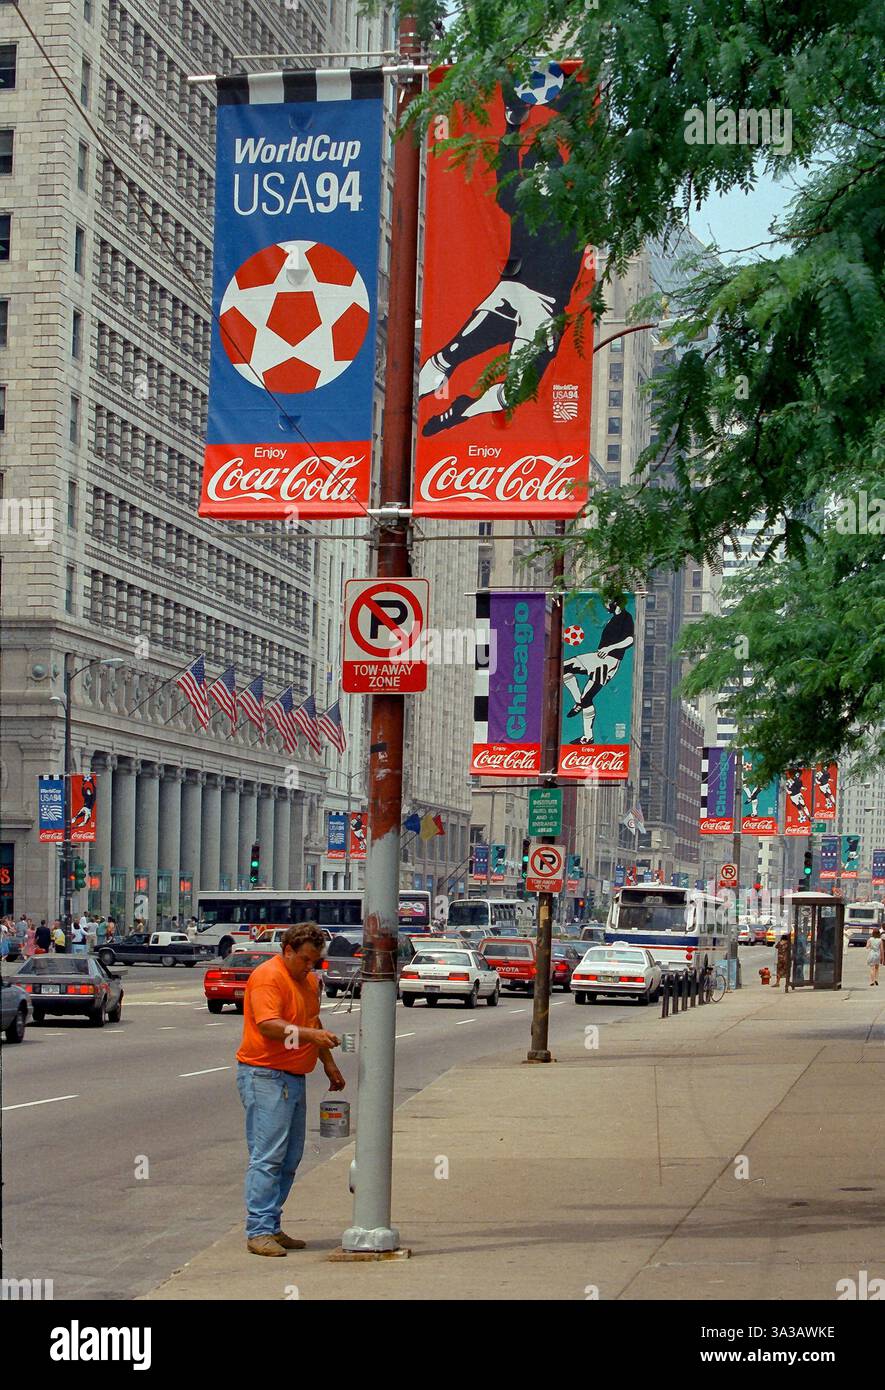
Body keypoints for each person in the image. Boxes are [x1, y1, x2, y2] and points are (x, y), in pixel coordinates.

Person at [419, 76, 584, 435]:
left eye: (546, 169)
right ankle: (419, 403)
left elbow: (583, 165)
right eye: (536, 169)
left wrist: (566, 114)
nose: (539, 176)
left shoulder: (574, 208)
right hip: (518, 292)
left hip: (544, 306)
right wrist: (512, 123)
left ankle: (462, 410)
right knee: (450, 354)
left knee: (512, 390)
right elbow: (507, 171)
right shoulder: (525, 203)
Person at [236, 922, 344, 1257]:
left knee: (289, 1157)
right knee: (268, 1156)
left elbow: (312, 1022)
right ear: (288, 951)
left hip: (293, 1075)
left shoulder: (308, 980)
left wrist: (327, 1062)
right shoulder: (269, 977)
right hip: (265, 1074)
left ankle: (271, 1224)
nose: (310, 967)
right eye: (305, 960)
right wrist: (313, 1039)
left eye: (315, 962)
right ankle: (259, 1230)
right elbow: (269, 1027)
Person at [562, 601, 635, 744]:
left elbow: (629, 639)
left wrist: (609, 648)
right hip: (597, 657)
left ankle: (588, 737)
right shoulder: (613, 618)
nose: (605, 605)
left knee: (587, 697)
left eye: (608, 602)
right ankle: (578, 701)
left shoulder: (626, 617)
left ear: (616, 602)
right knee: (564, 667)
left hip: (608, 662)